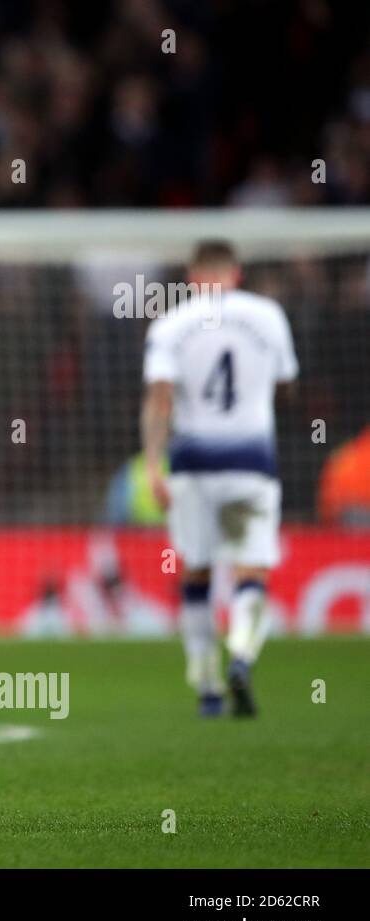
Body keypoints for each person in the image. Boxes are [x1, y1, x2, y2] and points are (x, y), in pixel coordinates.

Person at [141, 240, 298, 717]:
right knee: (252, 569)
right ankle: (243, 656)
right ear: (236, 273)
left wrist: (153, 464)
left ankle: (208, 686)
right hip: (253, 461)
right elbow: (286, 384)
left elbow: (160, 399)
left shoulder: (171, 324)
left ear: (192, 276)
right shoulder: (268, 316)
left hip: (192, 465)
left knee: (195, 570)